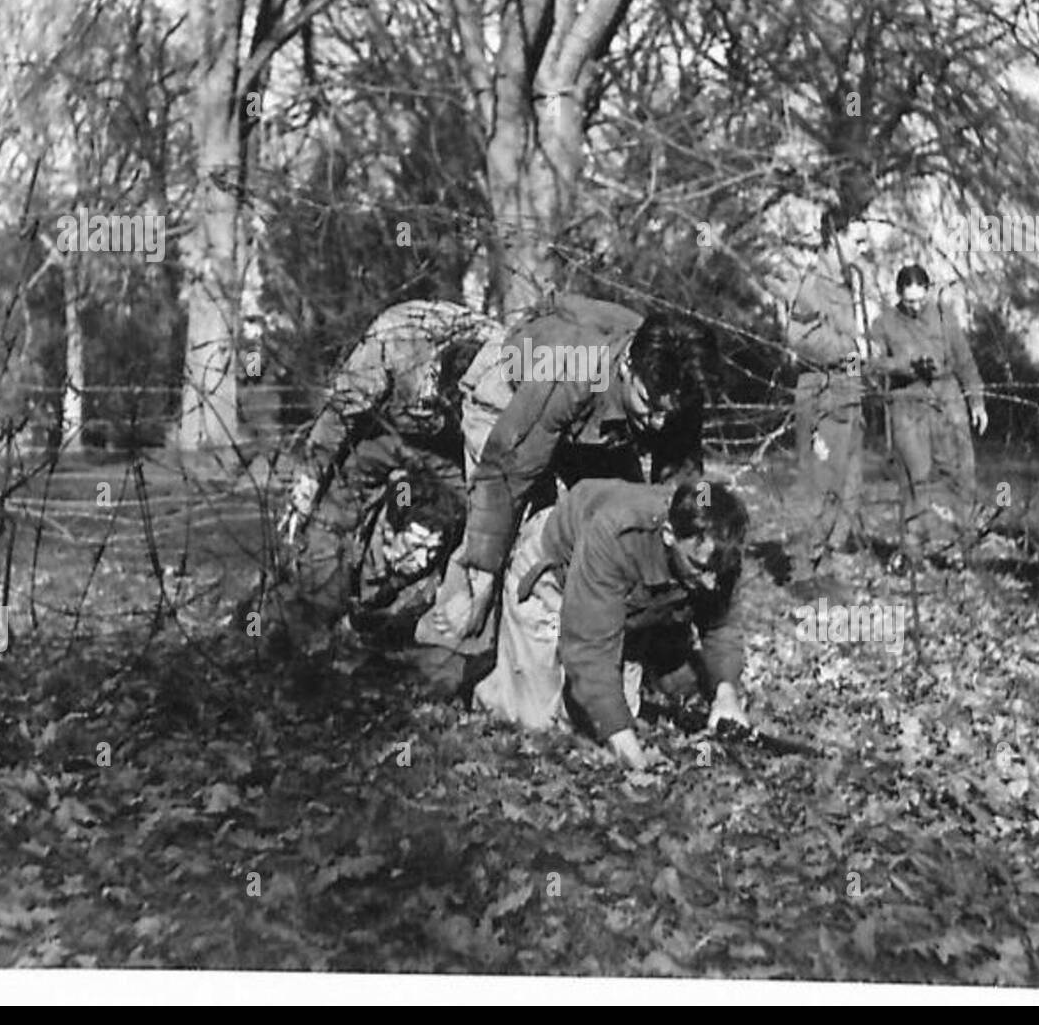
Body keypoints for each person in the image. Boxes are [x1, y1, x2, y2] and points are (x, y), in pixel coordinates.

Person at [413, 294, 718, 690]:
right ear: (627, 367)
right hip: (512, 395)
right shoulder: (574, 367)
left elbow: (681, 490)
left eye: (669, 413)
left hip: (598, 424)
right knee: (524, 534)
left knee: (620, 524)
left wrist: (693, 533)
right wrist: (483, 570)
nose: (659, 425)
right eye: (649, 405)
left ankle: (654, 657)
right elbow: (506, 472)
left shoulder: (678, 383)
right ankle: (450, 658)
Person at [471, 477, 750, 770]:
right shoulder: (618, 533)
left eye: (718, 572)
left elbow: (721, 626)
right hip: (556, 577)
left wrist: (726, 693)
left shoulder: (720, 547)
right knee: (534, 726)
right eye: (701, 569)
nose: (711, 583)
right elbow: (590, 650)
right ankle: (485, 684)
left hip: (626, 602)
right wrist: (637, 764)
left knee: (602, 723)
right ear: (668, 534)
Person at [265, 299, 499, 644]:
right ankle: (312, 617)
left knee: (483, 523)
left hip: (456, 448)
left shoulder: (506, 357)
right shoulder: (395, 339)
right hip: (381, 428)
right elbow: (340, 416)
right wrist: (308, 482)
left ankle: (434, 621)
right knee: (331, 513)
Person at [870, 264, 987, 563]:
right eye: (909, 301)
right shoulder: (884, 322)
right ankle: (912, 551)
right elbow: (871, 362)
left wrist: (976, 401)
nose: (916, 306)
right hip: (907, 402)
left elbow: (965, 360)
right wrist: (907, 365)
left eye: (921, 300)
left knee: (960, 472)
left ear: (928, 291)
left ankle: (964, 546)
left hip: (947, 399)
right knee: (914, 477)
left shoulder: (945, 316)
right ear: (899, 295)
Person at [785, 208, 871, 587]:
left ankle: (826, 560)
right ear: (833, 239)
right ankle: (802, 569)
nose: (863, 249)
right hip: (821, 394)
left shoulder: (847, 287)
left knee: (848, 484)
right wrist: (851, 349)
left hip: (848, 394)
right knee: (819, 483)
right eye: (857, 240)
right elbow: (800, 341)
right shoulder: (813, 284)